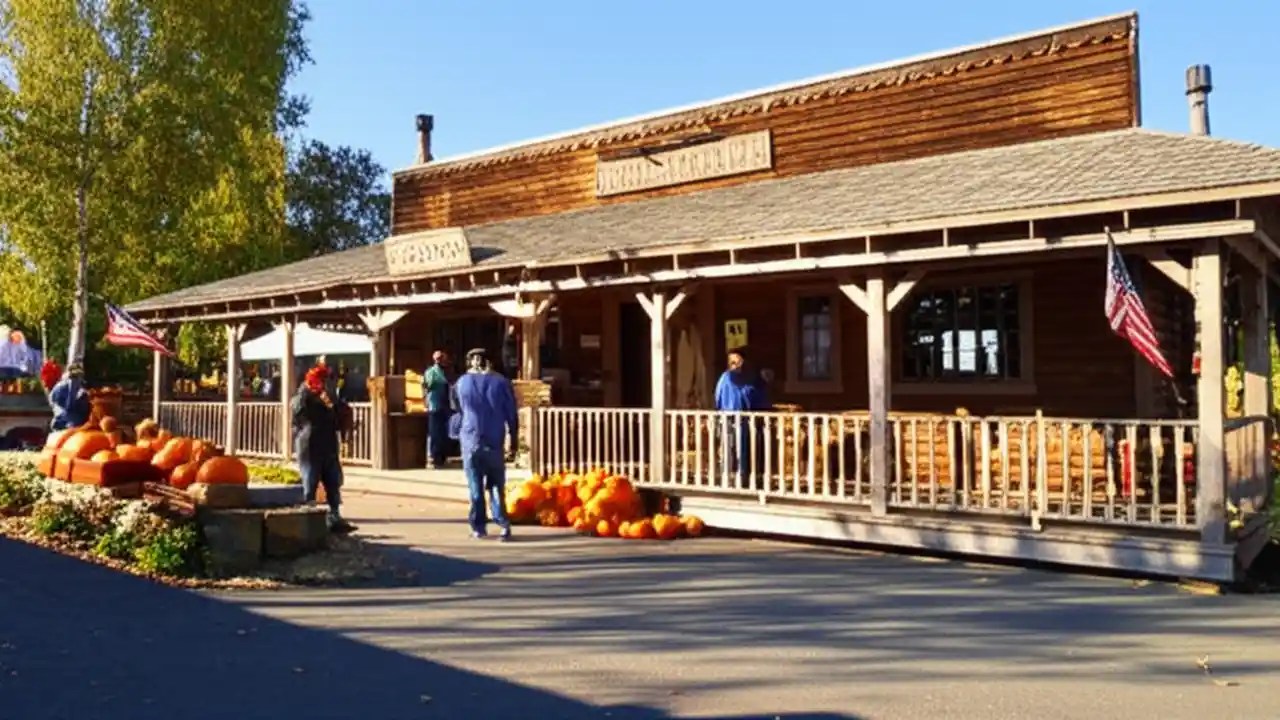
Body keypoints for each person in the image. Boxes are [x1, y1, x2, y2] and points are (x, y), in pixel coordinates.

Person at [450, 347, 518, 540]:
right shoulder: (501, 383)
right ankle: (503, 523)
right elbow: (511, 413)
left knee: (475, 486)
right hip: (494, 438)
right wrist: (513, 438)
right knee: (496, 484)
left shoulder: (461, 383)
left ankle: (478, 526)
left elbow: (456, 409)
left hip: (470, 438)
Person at [292, 364, 356, 534]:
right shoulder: (303, 396)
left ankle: (335, 515)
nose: (327, 383)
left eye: (328, 380)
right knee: (310, 476)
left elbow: (340, 413)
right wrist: (316, 398)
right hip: (309, 441)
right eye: (323, 379)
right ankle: (309, 515)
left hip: (328, 442)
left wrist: (337, 407)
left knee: (333, 479)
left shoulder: (330, 397)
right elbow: (299, 415)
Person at [713, 348, 769, 488]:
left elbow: (754, 397)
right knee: (728, 448)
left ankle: (743, 478)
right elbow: (718, 397)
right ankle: (728, 478)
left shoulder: (749, 380)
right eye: (732, 362)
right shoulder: (726, 378)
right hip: (728, 418)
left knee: (743, 450)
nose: (735, 365)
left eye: (737, 362)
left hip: (744, 420)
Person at [422, 350, 452, 469]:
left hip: (444, 405)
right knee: (434, 433)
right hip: (434, 405)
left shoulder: (445, 372)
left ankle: (442, 456)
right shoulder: (431, 372)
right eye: (440, 359)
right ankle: (433, 457)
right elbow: (427, 386)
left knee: (443, 433)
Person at [48, 362, 90, 431]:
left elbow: (51, 399)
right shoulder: (73, 381)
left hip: (59, 412)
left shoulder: (61, 382)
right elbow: (70, 402)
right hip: (66, 414)